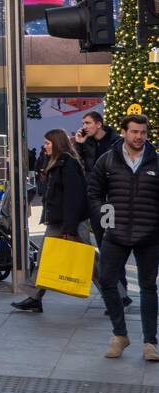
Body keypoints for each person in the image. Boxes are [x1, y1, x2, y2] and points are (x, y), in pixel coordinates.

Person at [87, 114, 159, 361]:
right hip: (116, 235)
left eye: (143, 132)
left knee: (149, 287)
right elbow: (94, 192)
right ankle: (120, 334)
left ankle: (150, 342)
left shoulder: (155, 162)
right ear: (124, 132)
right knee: (107, 281)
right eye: (134, 132)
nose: (139, 137)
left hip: (149, 235)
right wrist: (106, 220)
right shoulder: (108, 161)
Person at [12, 129, 92, 314]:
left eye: (47, 143)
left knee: (90, 262)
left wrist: (69, 228)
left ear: (57, 143)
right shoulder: (58, 162)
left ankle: (117, 294)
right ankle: (34, 298)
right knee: (44, 258)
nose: (45, 146)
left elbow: (73, 197)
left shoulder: (67, 163)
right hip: (60, 221)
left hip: (68, 222)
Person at [76, 111, 130, 309]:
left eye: (88, 123)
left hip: (110, 203)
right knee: (103, 245)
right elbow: (80, 167)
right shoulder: (87, 142)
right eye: (84, 123)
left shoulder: (116, 142)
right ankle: (117, 293)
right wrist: (79, 146)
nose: (85, 126)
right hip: (94, 201)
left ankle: (120, 292)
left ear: (99, 124)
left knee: (111, 246)